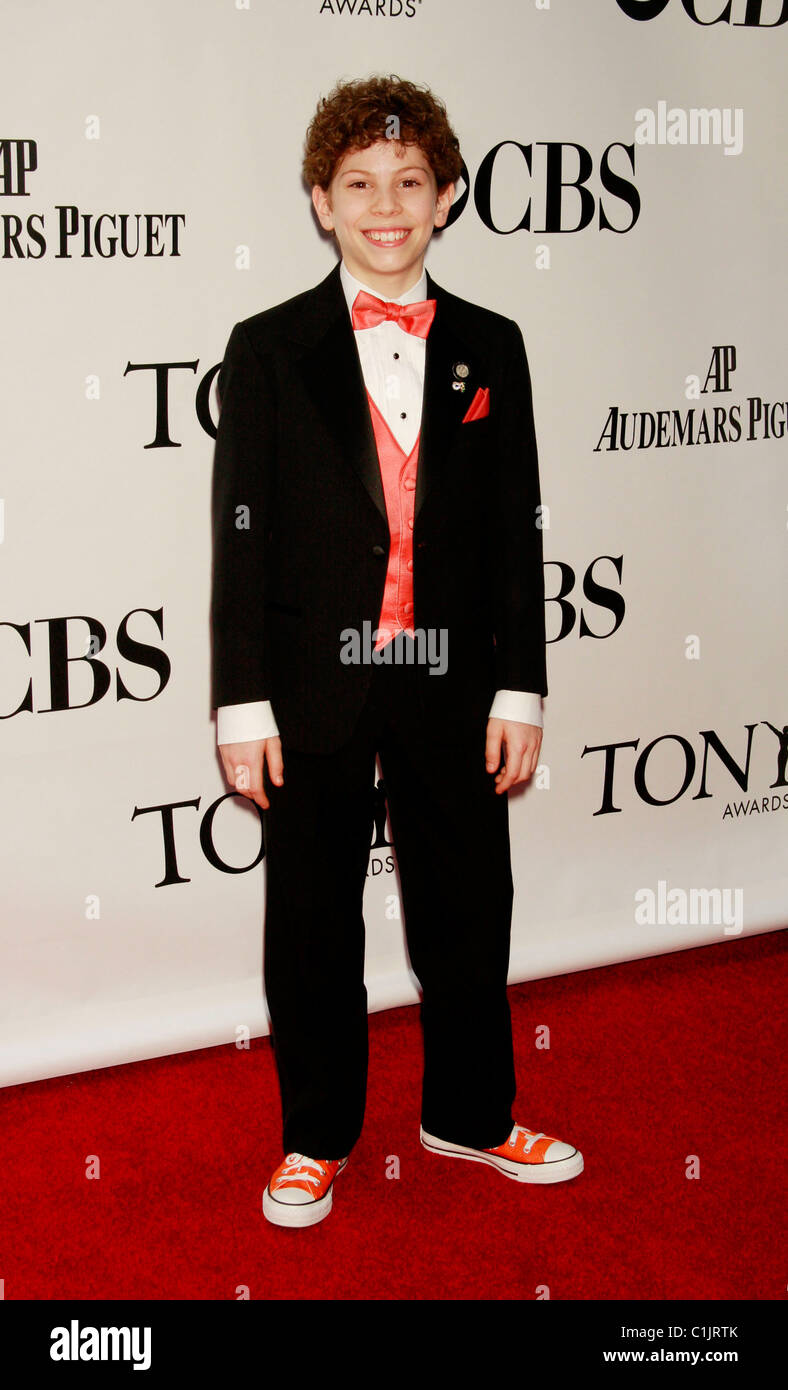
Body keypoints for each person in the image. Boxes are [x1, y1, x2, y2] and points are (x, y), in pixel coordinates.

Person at [210, 74, 583, 1229]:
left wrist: (519, 680)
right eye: (360, 185)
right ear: (320, 201)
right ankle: (315, 1135)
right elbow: (241, 538)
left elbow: (520, 526)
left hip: (453, 680)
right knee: (312, 913)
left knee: (469, 905)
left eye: (409, 183)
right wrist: (241, 704)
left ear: (448, 195)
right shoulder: (267, 349)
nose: (386, 207)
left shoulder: (493, 346)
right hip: (314, 679)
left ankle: (468, 1114)